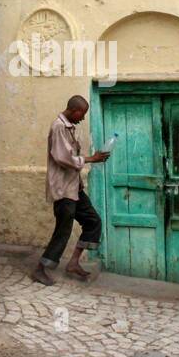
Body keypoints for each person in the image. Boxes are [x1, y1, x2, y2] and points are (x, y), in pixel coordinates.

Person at [34, 94, 109, 285]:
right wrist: (92, 158)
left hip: (74, 188)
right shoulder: (59, 127)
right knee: (63, 230)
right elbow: (64, 158)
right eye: (82, 114)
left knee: (93, 221)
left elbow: (71, 156)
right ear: (74, 111)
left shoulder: (69, 127)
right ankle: (40, 269)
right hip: (63, 190)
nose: (83, 118)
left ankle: (73, 262)